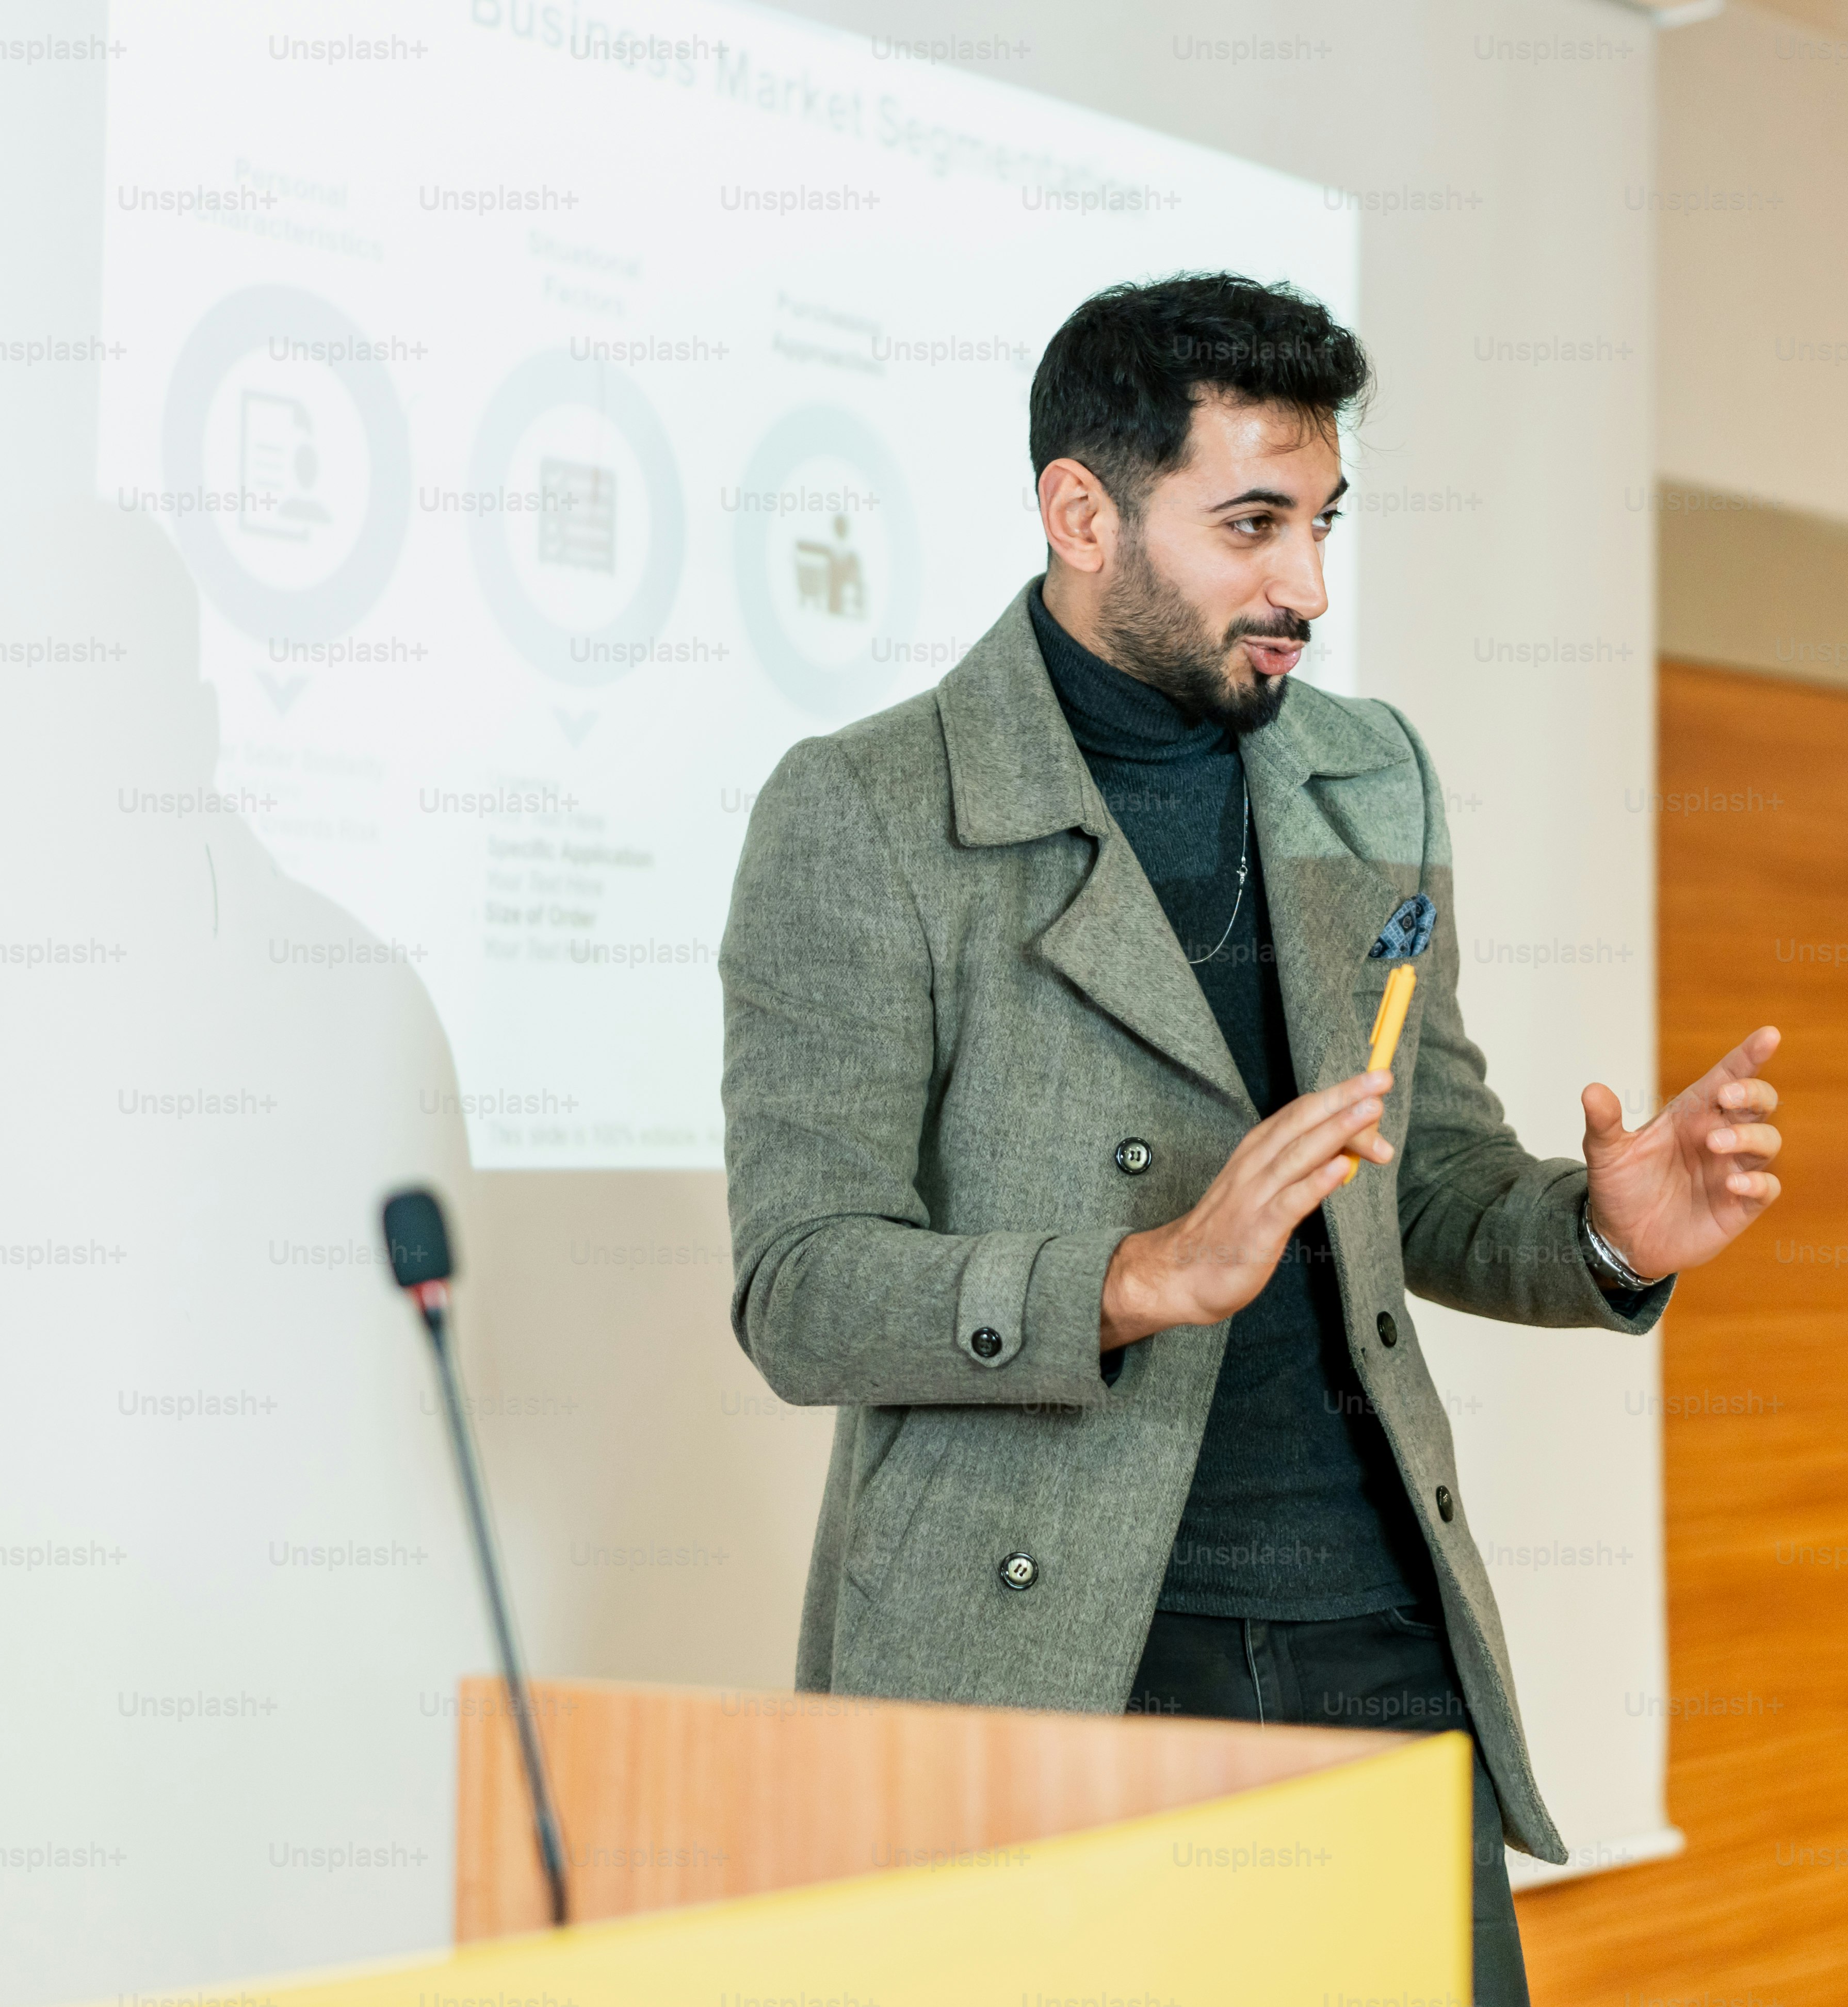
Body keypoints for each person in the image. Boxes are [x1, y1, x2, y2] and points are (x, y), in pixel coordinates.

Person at [720, 271, 1785, 2002]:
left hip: (1375, 1630)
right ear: (1082, 511)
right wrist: (1138, 1274)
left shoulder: (1372, 776)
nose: (1305, 585)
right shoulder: (866, 811)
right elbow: (804, 1289)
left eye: (1325, 523)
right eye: (1253, 523)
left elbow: (1423, 1181)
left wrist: (1604, 1232)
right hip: (1052, 1649)